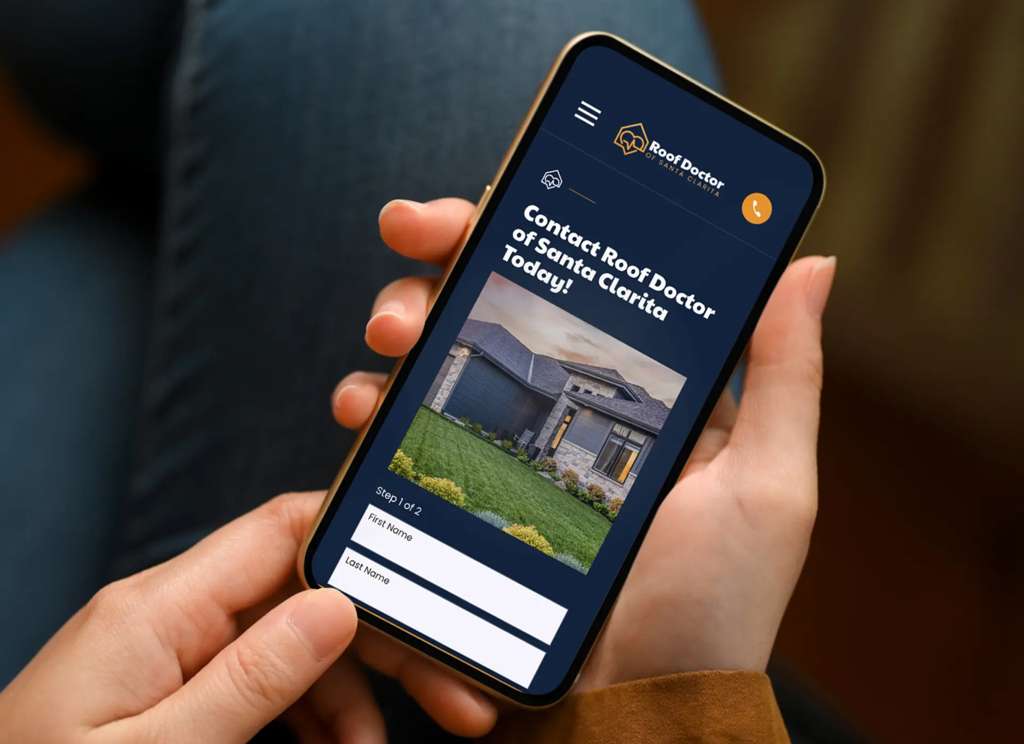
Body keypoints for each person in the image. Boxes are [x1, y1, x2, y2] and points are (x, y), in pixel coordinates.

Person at [0, 195, 836, 742]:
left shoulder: (614, 419)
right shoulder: (541, 381)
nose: (573, 412)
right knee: (111, 245)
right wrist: (663, 705)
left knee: (104, 247)